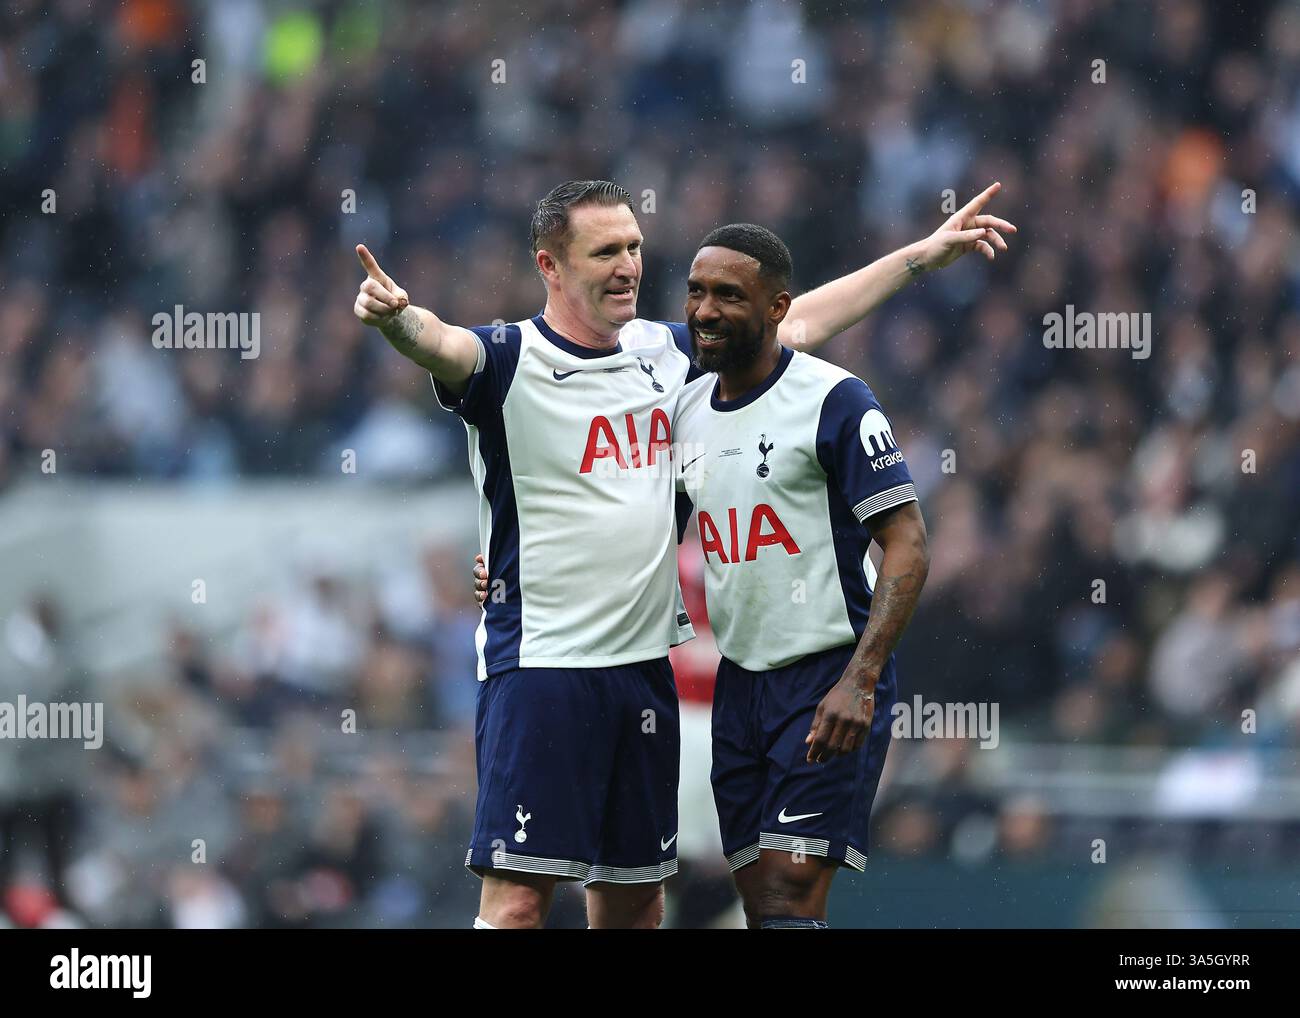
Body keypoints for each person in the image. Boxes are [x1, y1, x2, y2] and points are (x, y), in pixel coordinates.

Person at [363, 179, 1013, 929]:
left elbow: (795, 320)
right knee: (514, 902)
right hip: (544, 670)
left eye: (635, 248)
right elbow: (440, 343)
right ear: (550, 264)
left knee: (638, 907)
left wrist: (919, 259)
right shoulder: (509, 359)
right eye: (605, 251)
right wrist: (397, 318)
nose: (628, 266)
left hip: (645, 678)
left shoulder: (671, 357)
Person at [674, 223, 930, 927]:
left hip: (825, 678)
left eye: (728, 294)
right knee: (760, 905)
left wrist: (861, 679)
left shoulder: (836, 400)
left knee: (791, 890)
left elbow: (908, 544)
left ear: (779, 307)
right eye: (696, 292)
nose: (704, 310)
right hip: (739, 685)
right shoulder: (685, 410)